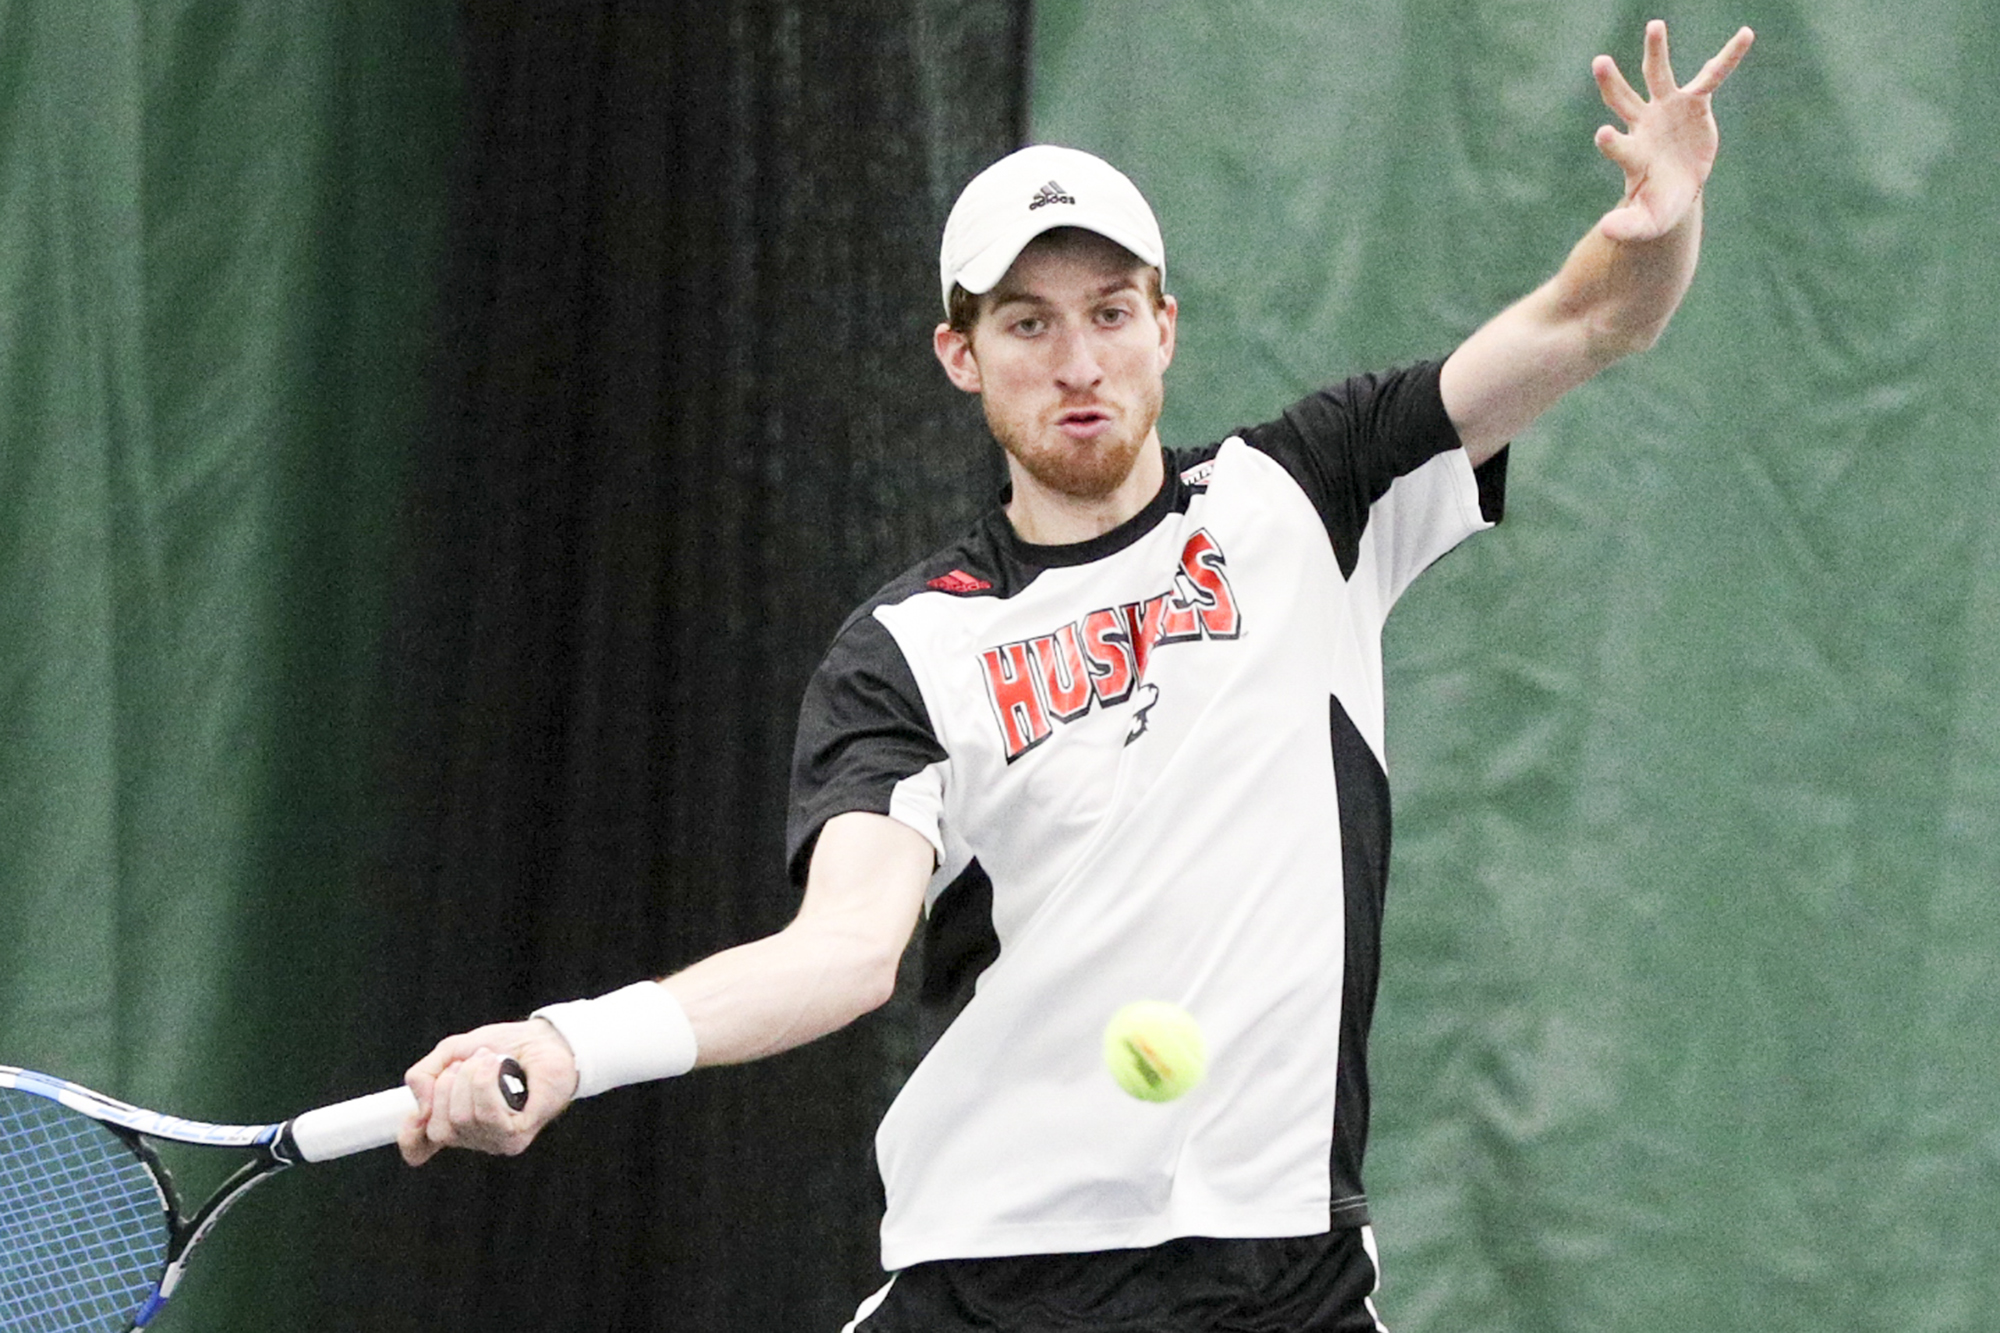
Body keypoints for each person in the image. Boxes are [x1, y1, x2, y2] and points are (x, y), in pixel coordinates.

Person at [398, 21, 1754, 1331]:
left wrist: (1667, 214)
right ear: (960, 354)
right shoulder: (909, 648)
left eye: (1110, 312)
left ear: (1167, 324)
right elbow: (845, 949)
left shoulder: (1306, 496)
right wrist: (578, 1044)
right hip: (991, 1274)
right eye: (1030, 325)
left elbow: (1592, 320)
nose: (1081, 360)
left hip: (1273, 1275)